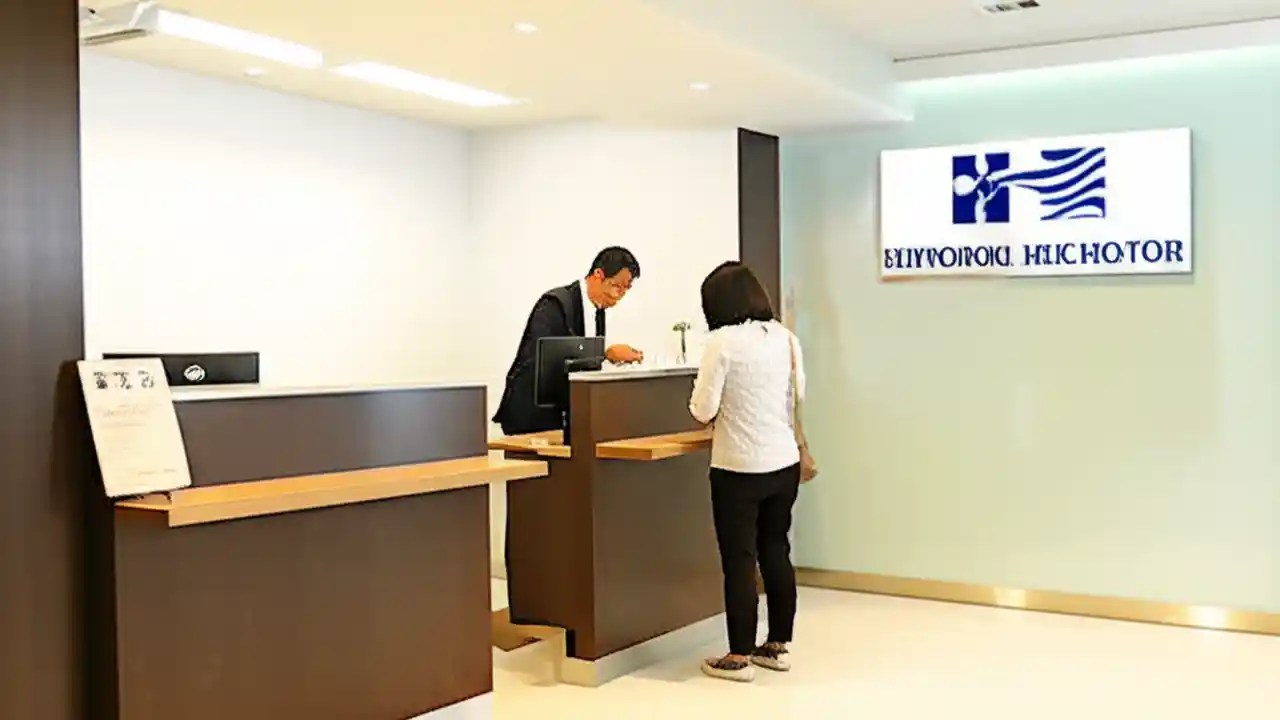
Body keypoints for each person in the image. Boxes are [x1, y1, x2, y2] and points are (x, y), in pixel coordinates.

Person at [689, 261, 806, 683]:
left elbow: (703, 409)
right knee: (776, 550)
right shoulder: (786, 338)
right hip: (783, 463)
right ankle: (777, 646)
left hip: (738, 467)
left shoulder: (721, 343)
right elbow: (800, 393)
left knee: (739, 559)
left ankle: (738, 656)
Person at [493, 247, 645, 435]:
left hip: (562, 415)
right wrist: (605, 354)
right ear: (598, 275)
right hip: (531, 417)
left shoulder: (598, 311)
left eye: (625, 290)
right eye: (616, 286)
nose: (619, 296)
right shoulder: (555, 304)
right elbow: (546, 359)